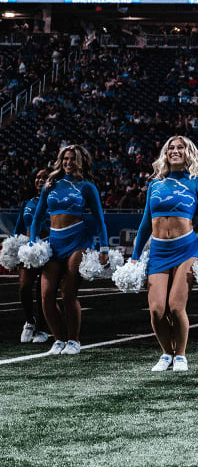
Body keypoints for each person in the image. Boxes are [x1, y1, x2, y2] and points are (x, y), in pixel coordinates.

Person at [132, 136, 198, 372]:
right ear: (165, 153)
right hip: (159, 251)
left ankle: (180, 355)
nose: (175, 151)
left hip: (187, 249)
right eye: (171, 148)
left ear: (188, 152)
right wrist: (134, 256)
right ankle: (166, 353)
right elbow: (145, 225)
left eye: (180, 147)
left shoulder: (197, 183)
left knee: (175, 306)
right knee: (157, 309)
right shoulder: (155, 184)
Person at [29, 145, 110, 356]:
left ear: (80, 161)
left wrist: (104, 247)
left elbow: (100, 219)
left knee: (67, 293)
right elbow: (37, 218)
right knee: (46, 295)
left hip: (78, 242)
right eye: (65, 158)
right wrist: (32, 242)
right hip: (54, 244)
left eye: (73, 159)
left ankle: (73, 340)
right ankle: (58, 339)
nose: (68, 162)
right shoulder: (51, 185)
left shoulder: (86, 186)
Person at [16, 170, 51, 344]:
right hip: (29, 249)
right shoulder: (27, 202)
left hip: (49, 248)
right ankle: (30, 321)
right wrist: (13, 245)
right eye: (38, 177)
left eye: (44, 177)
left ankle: (42, 328)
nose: (40, 180)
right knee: (24, 286)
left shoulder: (54, 201)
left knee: (42, 291)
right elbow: (19, 226)